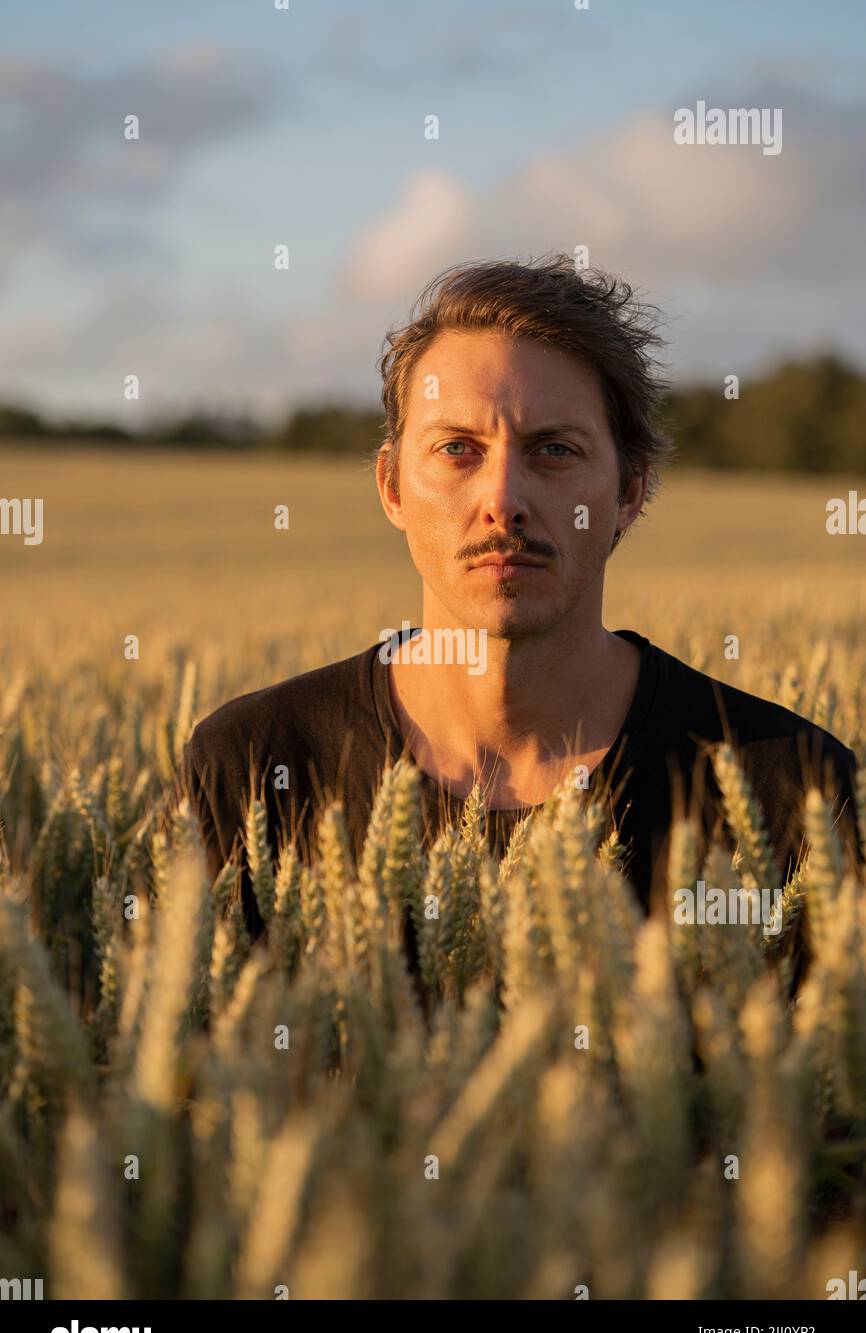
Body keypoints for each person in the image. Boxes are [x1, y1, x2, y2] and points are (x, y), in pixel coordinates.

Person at [165, 253, 861, 986]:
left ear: (629, 491)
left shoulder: (791, 783)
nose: (503, 497)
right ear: (392, 487)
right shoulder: (250, 764)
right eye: (457, 450)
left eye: (553, 451)